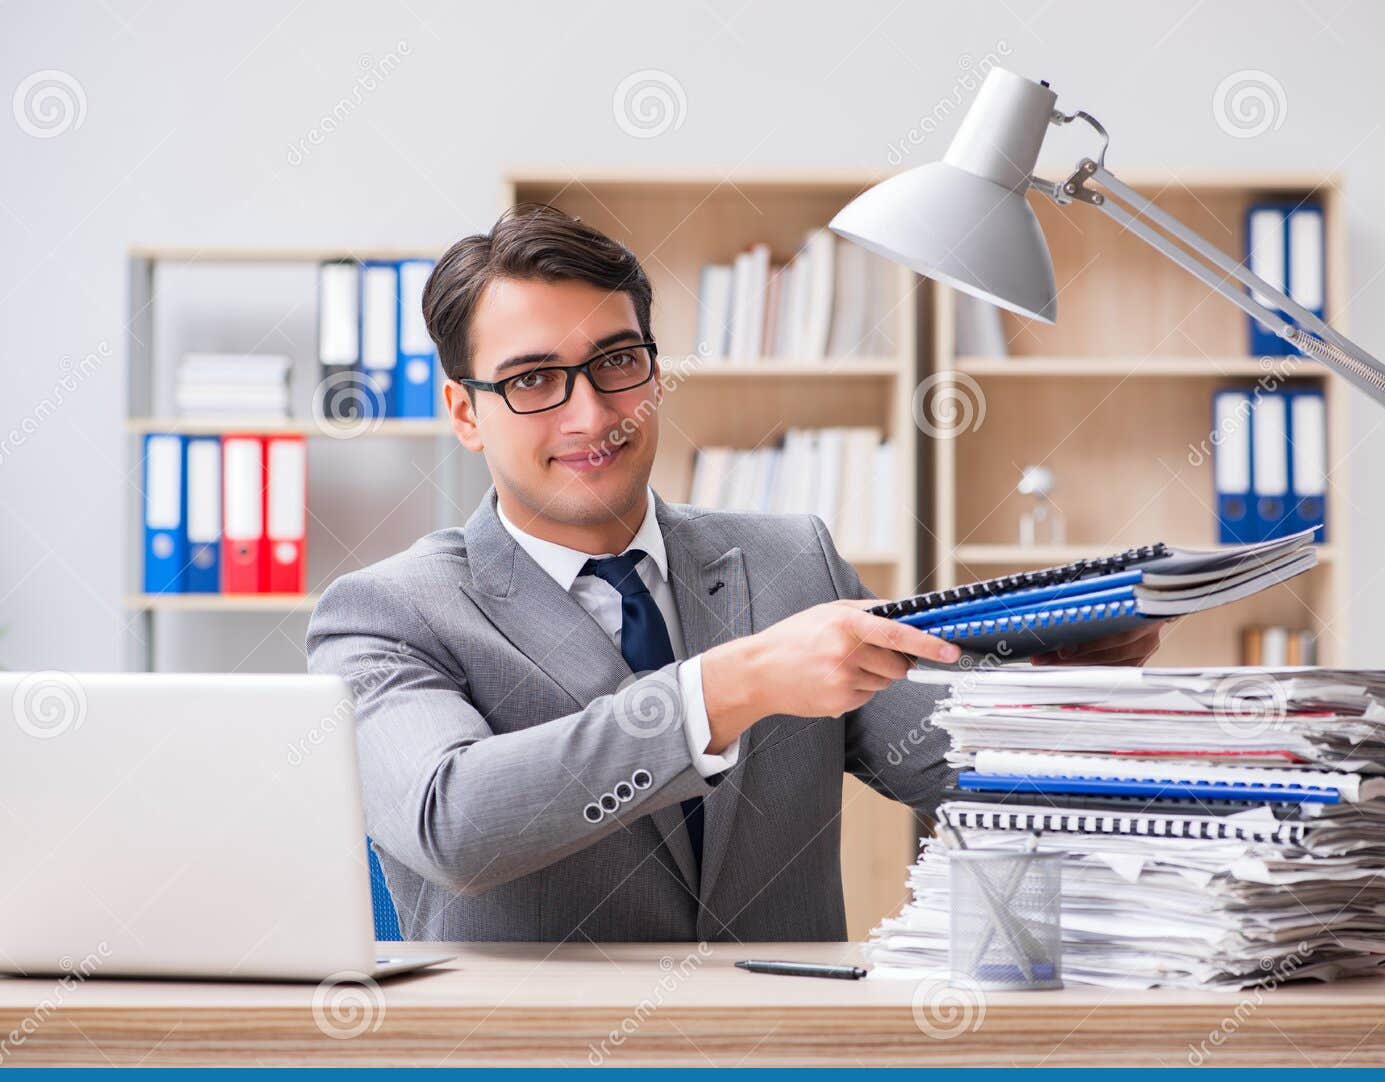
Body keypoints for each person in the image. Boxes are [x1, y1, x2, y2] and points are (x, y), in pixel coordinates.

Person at [307, 204, 1162, 943]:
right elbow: (451, 824)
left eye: (617, 361)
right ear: (465, 411)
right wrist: (728, 687)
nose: (593, 412)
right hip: (539, 1080)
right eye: (535, 379)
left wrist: (1057, 683)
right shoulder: (387, 613)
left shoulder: (793, 560)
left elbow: (961, 770)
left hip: (782, 1070)